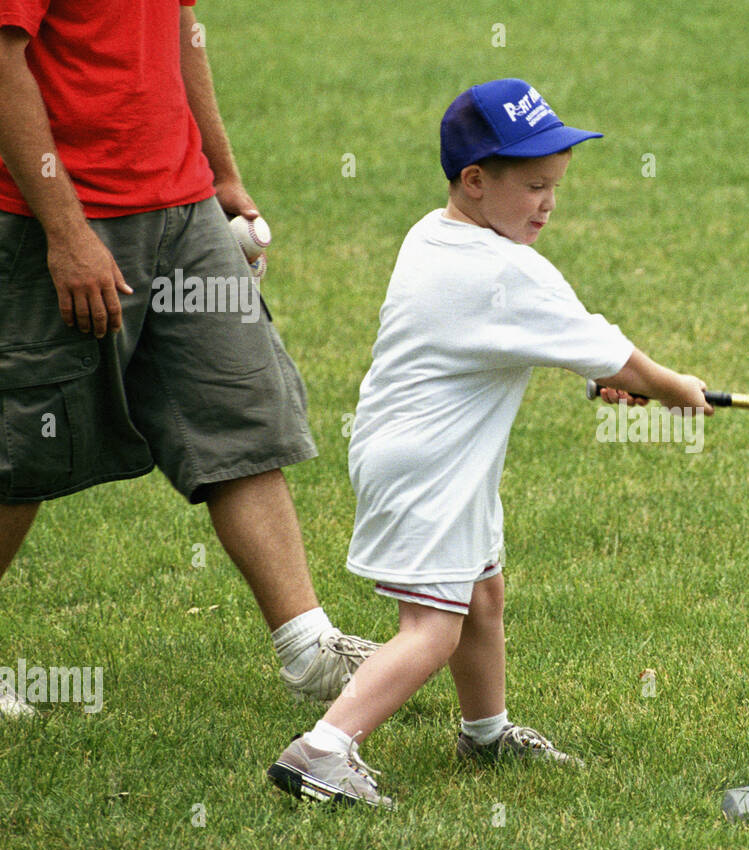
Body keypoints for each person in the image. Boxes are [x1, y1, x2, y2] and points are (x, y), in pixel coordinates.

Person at [267, 78, 712, 808]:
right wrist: (674, 389)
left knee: (481, 593)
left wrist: (606, 380)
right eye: (534, 184)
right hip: (429, 466)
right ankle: (323, 750)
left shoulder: (432, 234)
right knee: (432, 628)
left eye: (556, 185)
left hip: (421, 453)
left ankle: (486, 733)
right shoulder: (507, 270)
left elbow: (507, 344)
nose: (548, 203)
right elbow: (618, 356)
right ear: (475, 181)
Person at [0, 1, 377, 711]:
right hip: (56, 216)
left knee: (241, 413)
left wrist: (220, 171)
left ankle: (308, 649)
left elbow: (180, 29)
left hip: (184, 206)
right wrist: (66, 232)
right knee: (22, 448)